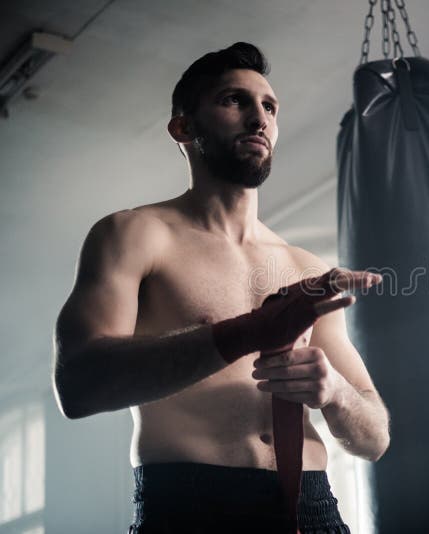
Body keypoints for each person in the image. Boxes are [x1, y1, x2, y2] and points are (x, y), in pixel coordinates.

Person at [52, 42, 390, 533]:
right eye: (235, 100)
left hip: (313, 509)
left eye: (269, 107)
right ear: (183, 128)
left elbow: (374, 438)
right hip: (192, 508)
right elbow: (77, 386)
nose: (259, 118)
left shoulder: (305, 268)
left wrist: (335, 392)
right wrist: (249, 330)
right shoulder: (136, 234)